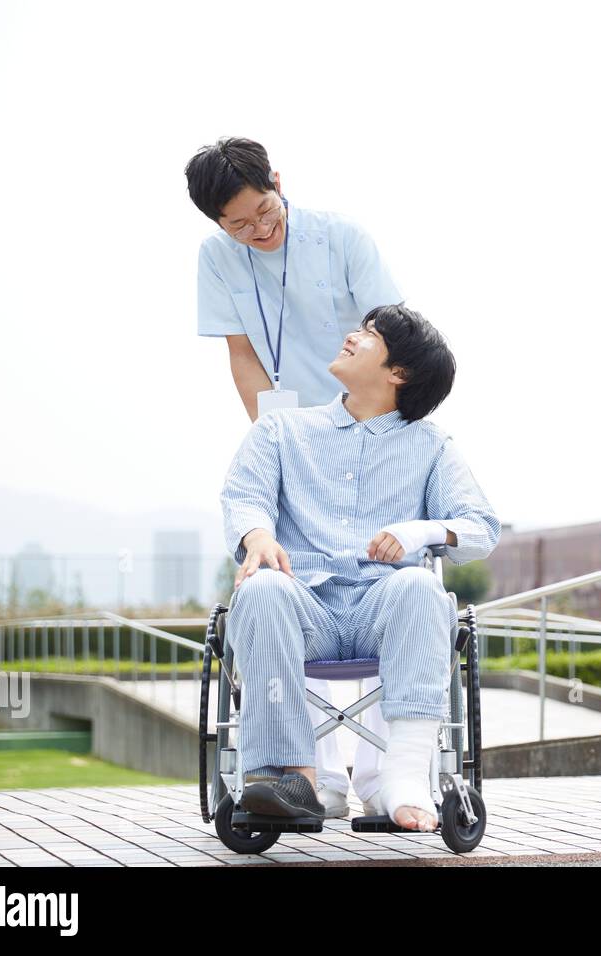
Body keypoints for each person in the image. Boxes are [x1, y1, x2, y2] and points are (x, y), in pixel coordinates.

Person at [186, 136, 403, 817]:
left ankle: (379, 780)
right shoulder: (217, 259)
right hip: (287, 440)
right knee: (288, 589)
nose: (257, 231)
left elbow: (388, 337)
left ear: (278, 180)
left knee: (382, 583)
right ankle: (315, 780)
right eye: (238, 224)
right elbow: (244, 354)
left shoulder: (342, 240)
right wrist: (275, 437)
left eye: (263, 210)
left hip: (368, 433)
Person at [220, 304, 499, 831]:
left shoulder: (431, 446)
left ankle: (404, 777)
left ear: (399, 373)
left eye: (369, 335)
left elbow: (481, 526)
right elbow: (244, 496)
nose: (352, 335)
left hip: (383, 609)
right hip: (306, 610)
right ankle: (293, 778)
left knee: (420, 584)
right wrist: (257, 534)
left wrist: (420, 531)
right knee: (260, 590)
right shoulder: (281, 431)